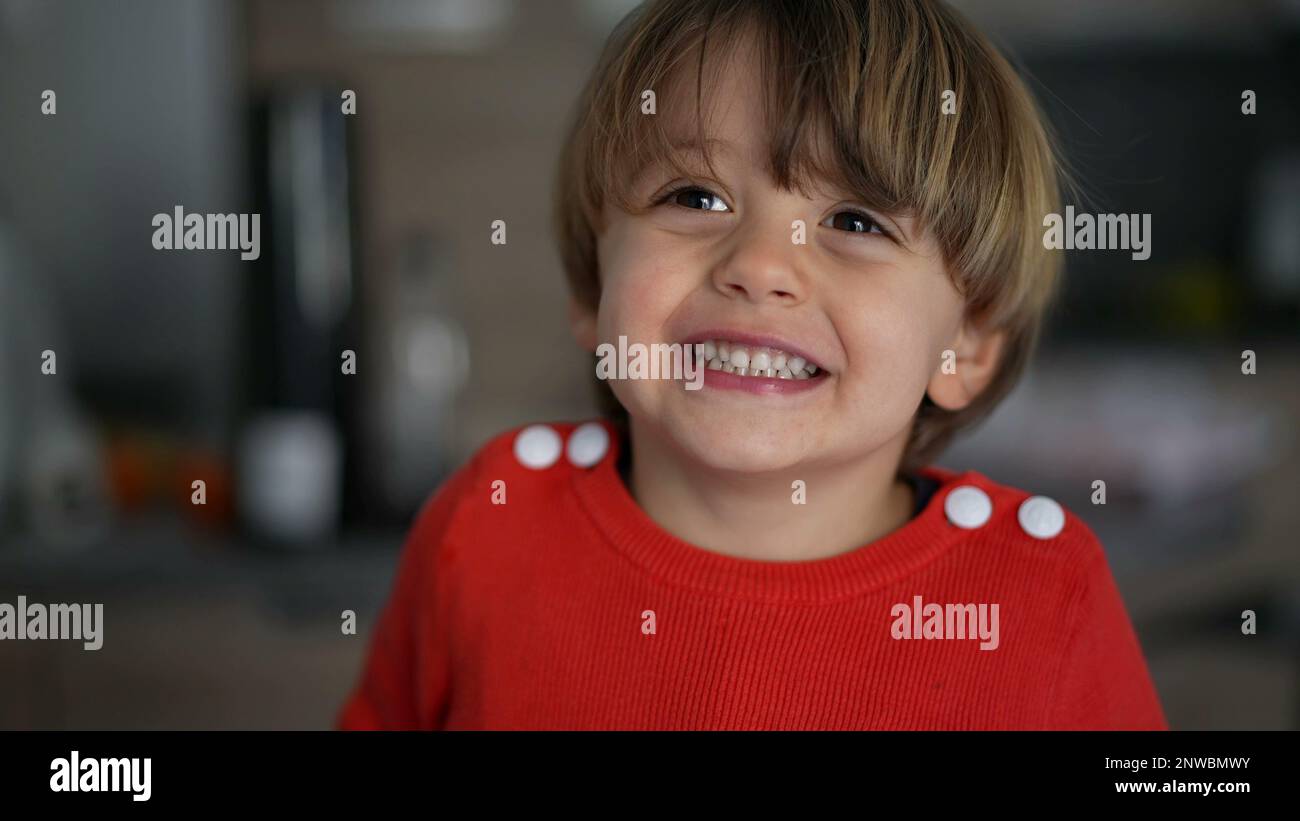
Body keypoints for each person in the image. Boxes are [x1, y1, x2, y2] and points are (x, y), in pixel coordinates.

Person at [338, 0, 1167, 730]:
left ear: (968, 346)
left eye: (856, 220)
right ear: (595, 289)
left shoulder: (1042, 597)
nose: (761, 263)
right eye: (694, 198)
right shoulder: (487, 525)